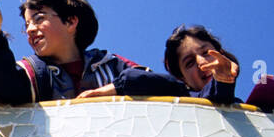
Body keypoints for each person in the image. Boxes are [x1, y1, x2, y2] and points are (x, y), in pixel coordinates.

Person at [0, 0, 139, 103]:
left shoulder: (109, 64)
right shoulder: (35, 71)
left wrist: (113, 89)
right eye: (27, 25)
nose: (30, 29)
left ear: (70, 22)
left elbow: (156, 82)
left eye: (39, 19)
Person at [77, 24, 239, 104]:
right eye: (189, 63)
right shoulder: (182, 95)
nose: (201, 63)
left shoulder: (247, 106)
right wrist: (114, 88)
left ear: (221, 54)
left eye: (206, 53)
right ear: (183, 79)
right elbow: (137, 76)